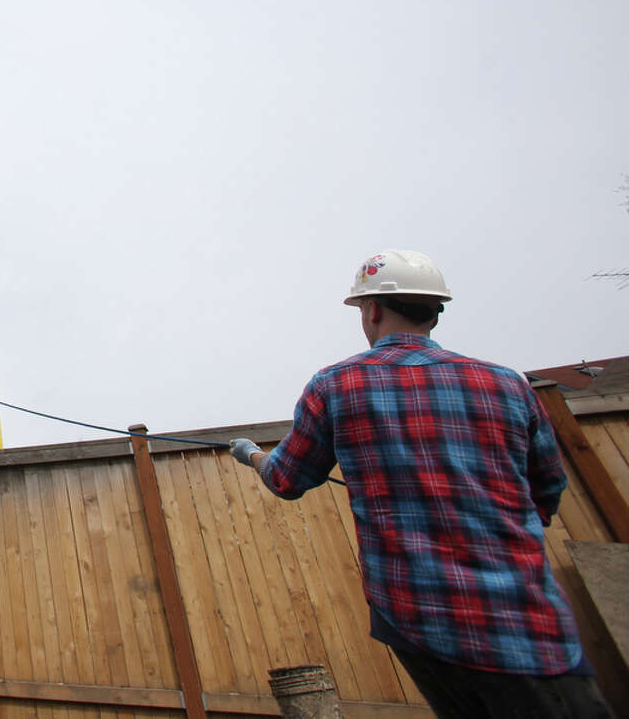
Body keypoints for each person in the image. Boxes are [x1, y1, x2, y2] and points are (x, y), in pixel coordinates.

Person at [228, 249, 611, 718]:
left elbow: (287, 479)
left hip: (416, 615)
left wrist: (250, 454)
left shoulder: (336, 385)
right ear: (435, 311)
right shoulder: (508, 384)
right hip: (531, 621)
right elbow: (548, 487)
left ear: (371, 309)